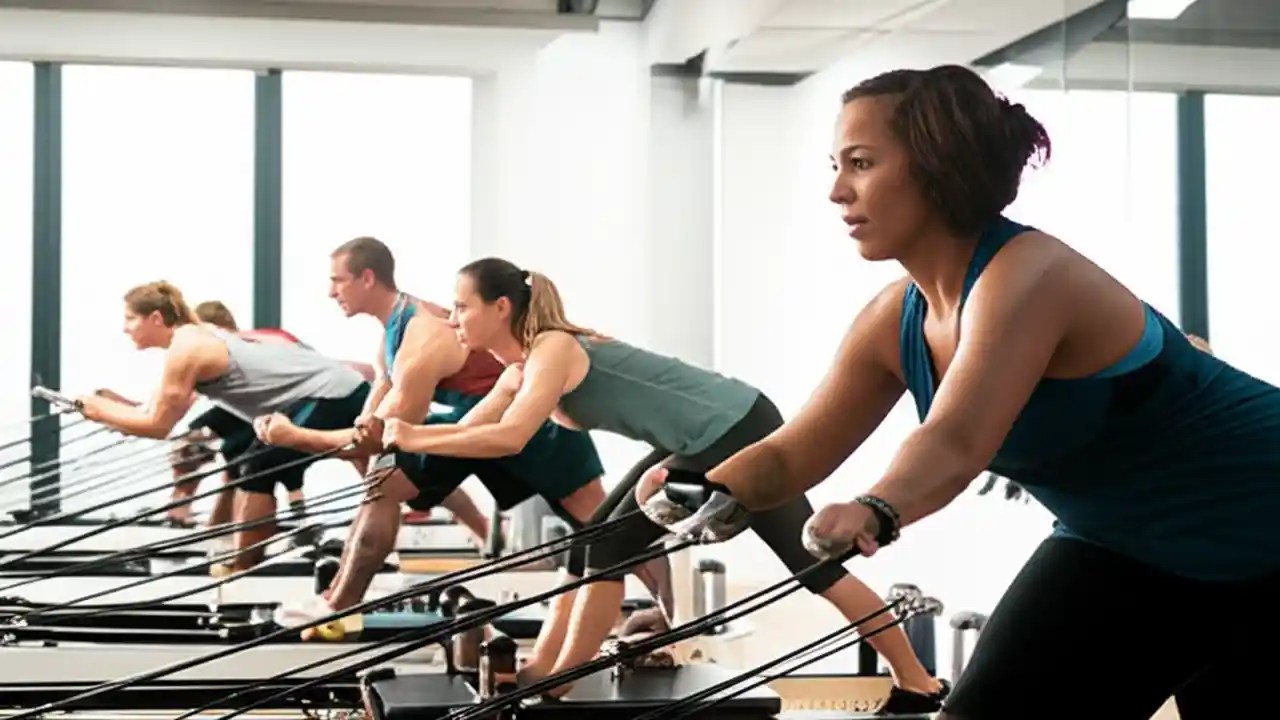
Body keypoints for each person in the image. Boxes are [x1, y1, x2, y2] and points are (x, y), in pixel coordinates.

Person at [636, 64, 1280, 720]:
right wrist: (703, 488)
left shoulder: (1031, 275)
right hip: (1122, 543)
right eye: (836, 165)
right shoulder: (895, 319)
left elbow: (955, 439)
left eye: (861, 163)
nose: (837, 191)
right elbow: (791, 453)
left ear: (937, 165)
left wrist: (877, 507)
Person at [379, 258, 947, 712]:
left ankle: (560, 680)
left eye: (462, 306)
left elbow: (510, 437)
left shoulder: (554, 348)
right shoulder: (521, 368)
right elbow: (469, 430)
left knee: (610, 547)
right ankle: (917, 683)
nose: (452, 319)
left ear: (500, 307)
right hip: (707, 433)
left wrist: (409, 433)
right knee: (596, 541)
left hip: (732, 428)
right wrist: (397, 434)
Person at [269, 237, 616, 646]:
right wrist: (360, 424)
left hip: (537, 424)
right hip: (478, 415)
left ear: (368, 278)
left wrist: (293, 436)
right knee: (384, 480)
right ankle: (337, 602)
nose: (331, 292)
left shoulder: (422, 338)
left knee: (604, 524)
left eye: (338, 280)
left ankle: (669, 614)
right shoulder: (393, 333)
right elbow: (377, 407)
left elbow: (383, 437)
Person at [76, 281, 370, 571]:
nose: (125, 328)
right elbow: (150, 411)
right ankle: (239, 559)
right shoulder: (188, 339)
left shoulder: (187, 347)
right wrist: (105, 408)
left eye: (130, 318)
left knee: (261, 464)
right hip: (318, 394)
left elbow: (158, 426)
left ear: (155, 318)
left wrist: (99, 411)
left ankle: (243, 568)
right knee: (250, 460)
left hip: (333, 394)